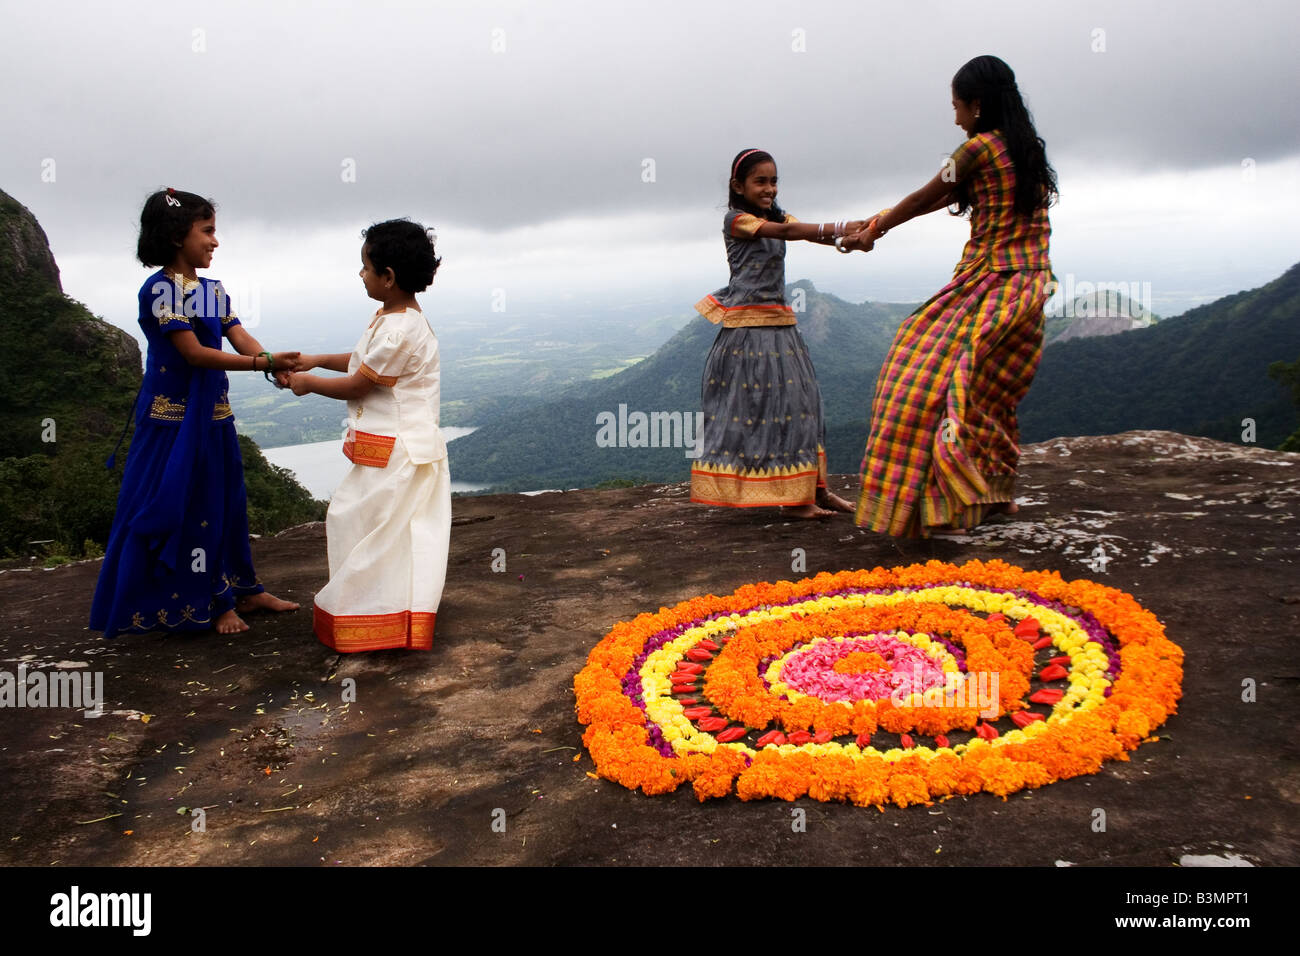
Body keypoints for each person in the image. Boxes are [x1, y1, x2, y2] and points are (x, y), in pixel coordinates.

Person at [844, 55, 1057, 537]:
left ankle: (945, 505)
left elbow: (925, 196)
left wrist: (873, 231)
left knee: (918, 375)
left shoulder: (978, 150)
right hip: (1030, 286)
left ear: (977, 106)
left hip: (991, 280)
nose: (955, 116)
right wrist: (877, 222)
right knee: (986, 394)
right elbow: (942, 198)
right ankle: (994, 493)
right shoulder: (1025, 150)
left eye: (957, 106)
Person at [90, 188, 301, 637]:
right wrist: (264, 363)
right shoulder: (161, 290)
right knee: (189, 507)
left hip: (214, 416)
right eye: (206, 231)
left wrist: (272, 364)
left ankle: (244, 588)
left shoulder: (208, 290)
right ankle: (212, 601)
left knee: (229, 502)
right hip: (173, 421)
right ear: (174, 235)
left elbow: (237, 335)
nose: (214, 241)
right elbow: (195, 354)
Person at [285, 219, 450, 653]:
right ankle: (383, 612)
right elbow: (363, 361)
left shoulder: (399, 328)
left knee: (371, 528)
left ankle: (375, 616)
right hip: (391, 449)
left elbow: (362, 383)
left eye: (365, 267)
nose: (361, 275)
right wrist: (316, 359)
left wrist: (308, 383)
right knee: (380, 529)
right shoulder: (394, 318)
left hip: (400, 451)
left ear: (388, 277)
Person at [690, 148, 864, 517]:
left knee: (805, 409)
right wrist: (845, 227)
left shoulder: (776, 215)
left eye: (773, 181)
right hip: (748, 332)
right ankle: (793, 500)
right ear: (738, 185)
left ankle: (815, 491)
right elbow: (788, 232)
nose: (769, 188)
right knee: (767, 412)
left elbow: (805, 233)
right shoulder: (735, 220)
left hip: (780, 328)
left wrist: (850, 235)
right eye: (760, 181)